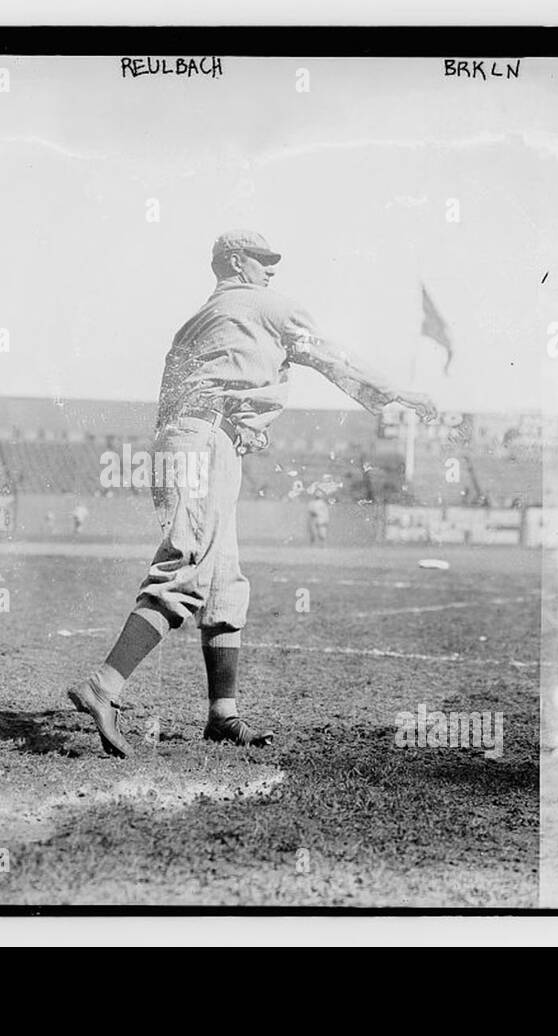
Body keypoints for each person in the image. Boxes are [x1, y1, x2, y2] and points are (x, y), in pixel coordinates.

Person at [67, 230, 436, 757]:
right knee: (189, 566)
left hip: (187, 438)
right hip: (205, 442)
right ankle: (105, 686)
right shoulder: (266, 305)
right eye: (263, 259)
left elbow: (172, 396)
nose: (272, 268)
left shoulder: (198, 319)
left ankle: (223, 715)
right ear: (235, 261)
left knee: (223, 578)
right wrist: (397, 392)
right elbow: (334, 359)